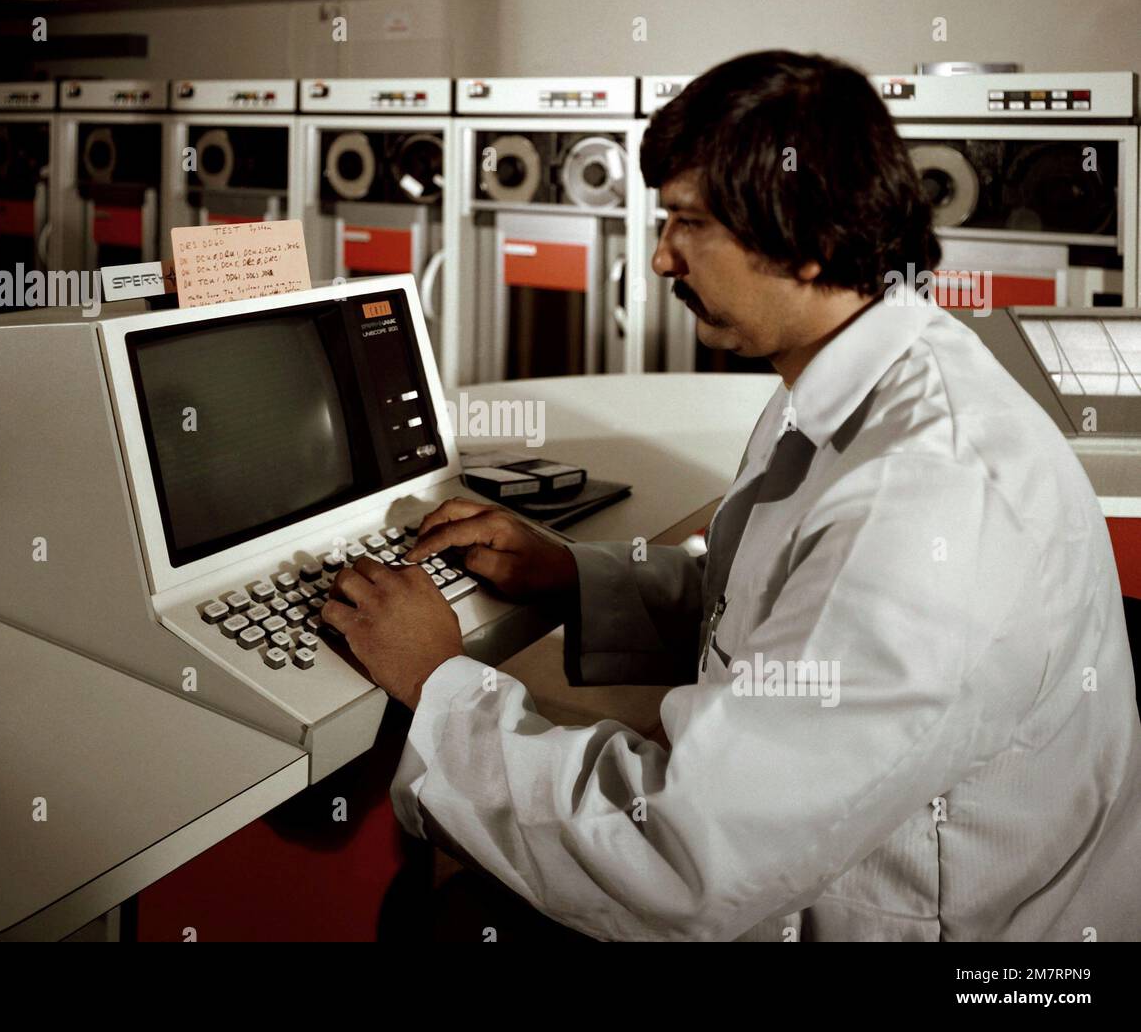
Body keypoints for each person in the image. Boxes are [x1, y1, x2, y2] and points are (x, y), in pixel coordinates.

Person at [320, 51, 1141, 941]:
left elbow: (682, 862)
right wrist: (573, 577)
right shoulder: (859, 380)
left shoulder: (928, 501)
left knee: (435, 922)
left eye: (690, 222)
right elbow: (779, 618)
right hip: (819, 870)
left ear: (812, 239)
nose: (663, 255)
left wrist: (440, 687)